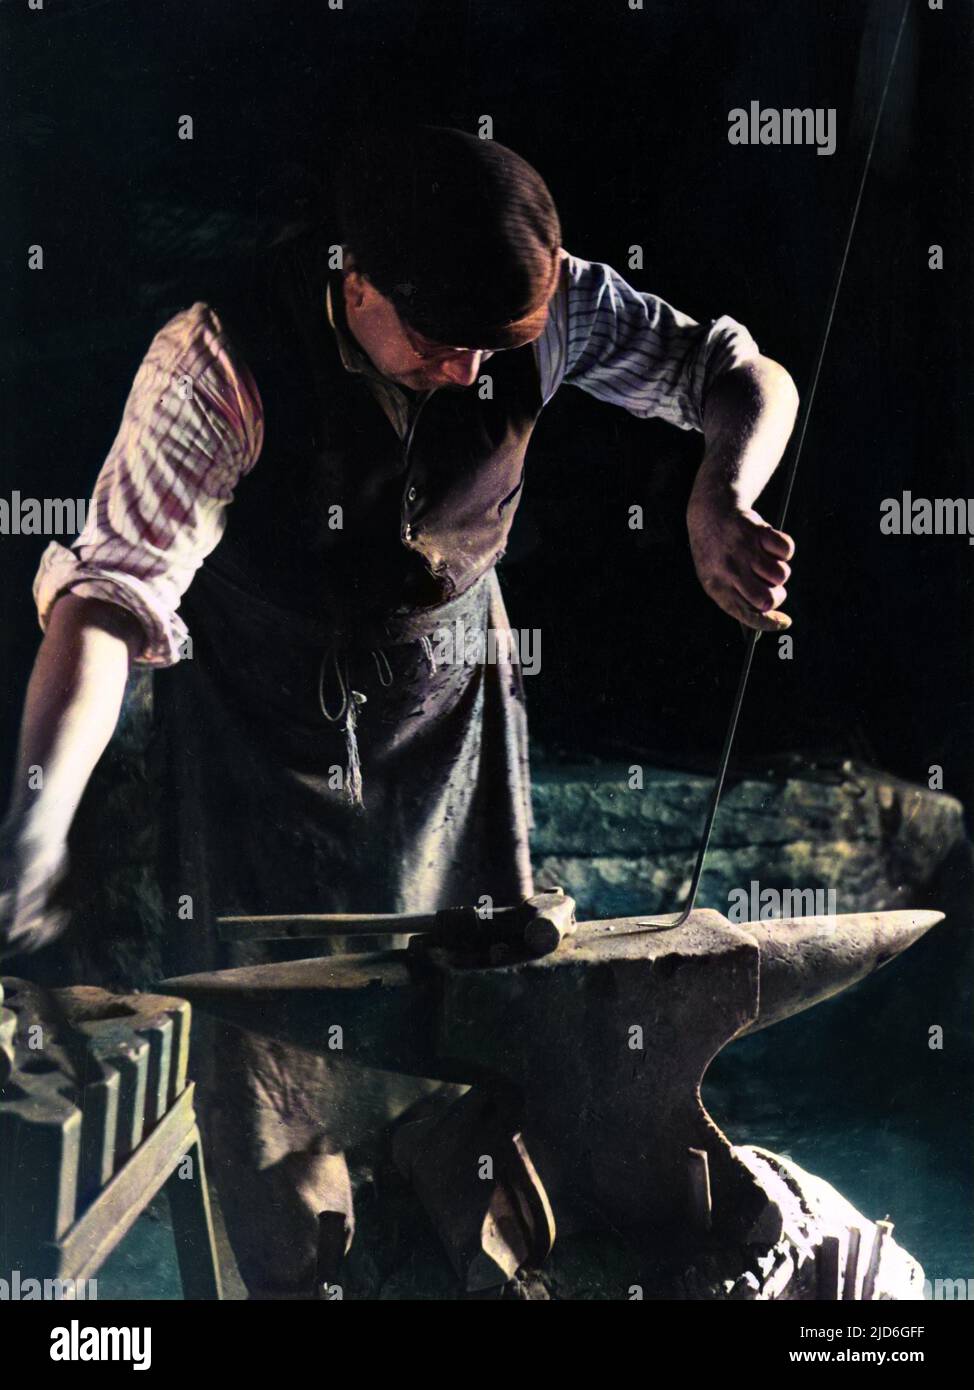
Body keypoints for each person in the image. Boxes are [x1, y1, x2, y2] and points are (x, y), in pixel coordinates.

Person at [0, 126, 798, 1295]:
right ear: (354, 277)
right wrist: (36, 819)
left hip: (452, 726)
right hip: (261, 753)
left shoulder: (552, 307)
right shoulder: (220, 361)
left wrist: (721, 491)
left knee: (476, 1055)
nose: (471, 375)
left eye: (497, 350)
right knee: (276, 1084)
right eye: (437, 342)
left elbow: (736, 374)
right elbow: (108, 605)